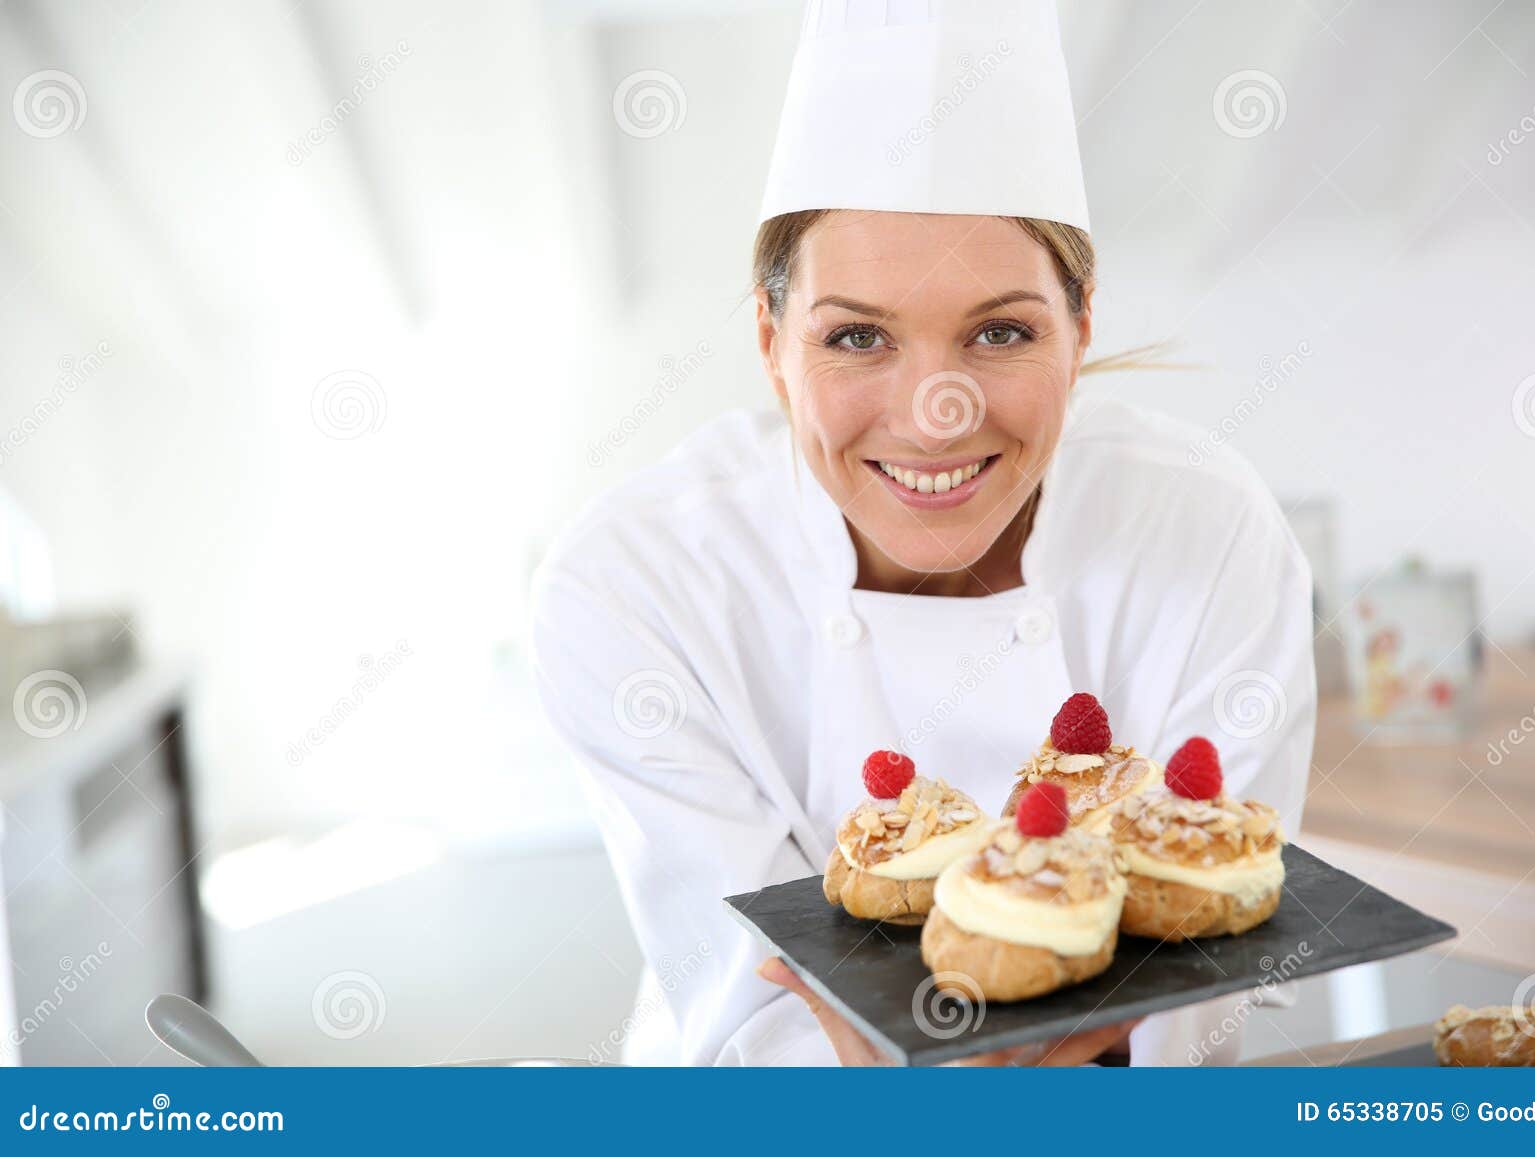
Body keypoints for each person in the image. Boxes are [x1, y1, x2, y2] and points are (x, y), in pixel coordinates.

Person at [532, 0, 1313, 1066]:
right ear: (771, 345)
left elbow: (1217, 955)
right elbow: (749, 1008)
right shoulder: (633, 581)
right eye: (856, 336)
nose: (934, 410)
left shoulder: (1208, 530)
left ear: (1079, 332)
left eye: (1000, 331)